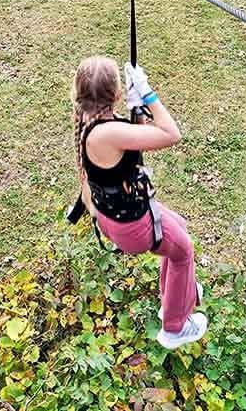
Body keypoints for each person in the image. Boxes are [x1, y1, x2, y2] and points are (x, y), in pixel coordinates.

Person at [72, 55, 207, 349]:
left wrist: (137, 111)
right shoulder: (108, 133)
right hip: (133, 226)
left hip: (118, 216)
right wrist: (147, 94)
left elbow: (136, 145)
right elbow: (171, 134)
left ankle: (175, 296)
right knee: (183, 251)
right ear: (116, 94)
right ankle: (174, 327)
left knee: (179, 227)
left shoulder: (95, 124)